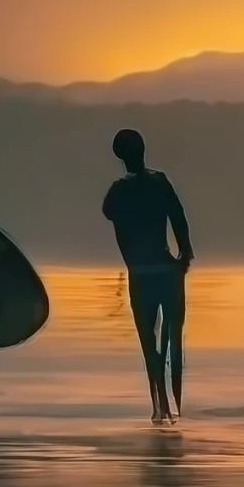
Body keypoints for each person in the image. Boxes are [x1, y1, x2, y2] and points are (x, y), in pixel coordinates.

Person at [102, 129, 193, 424]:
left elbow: (109, 213)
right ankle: (174, 405)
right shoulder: (159, 182)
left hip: (141, 273)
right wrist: (185, 254)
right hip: (166, 269)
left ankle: (160, 404)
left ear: (119, 156)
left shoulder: (118, 192)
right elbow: (178, 216)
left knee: (148, 341)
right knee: (173, 338)